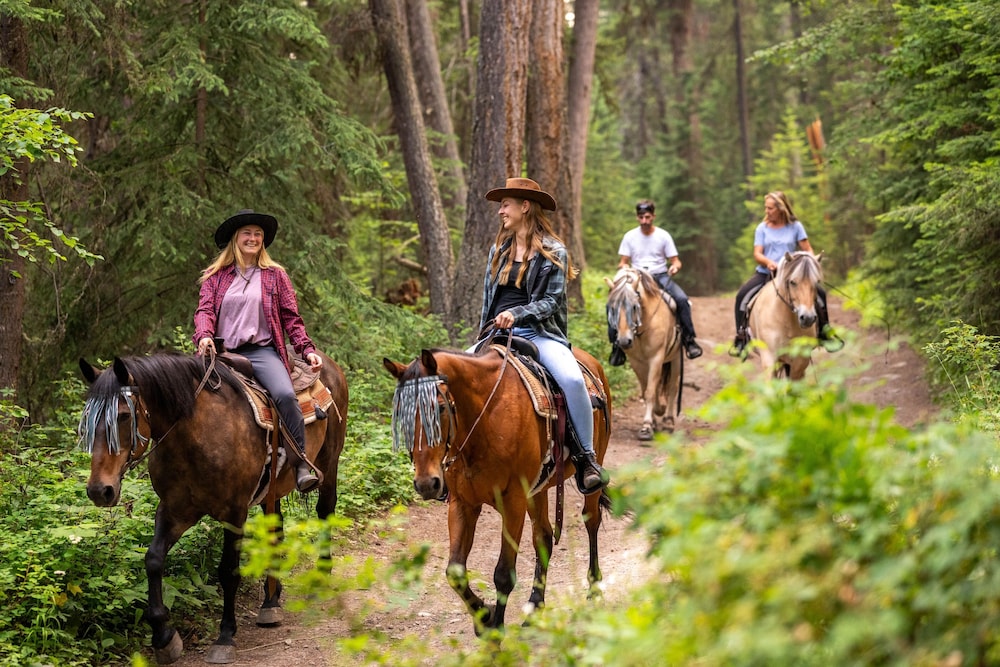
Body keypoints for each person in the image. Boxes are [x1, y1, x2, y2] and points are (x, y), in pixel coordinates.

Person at [479, 177, 608, 493]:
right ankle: (456, 461)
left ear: (525, 206)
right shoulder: (500, 250)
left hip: (540, 334)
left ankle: (586, 458)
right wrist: (483, 333)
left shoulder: (555, 251)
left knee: (573, 380)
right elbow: (487, 299)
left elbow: (550, 302)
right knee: (451, 380)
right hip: (497, 333)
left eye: (505, 204)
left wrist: (516, 314)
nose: (500, 212)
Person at [193, 209, 323, 493]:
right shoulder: (215, 278)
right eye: (247, 234)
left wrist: (307, 349)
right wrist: (203, 336)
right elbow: (204, 311)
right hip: (221, 352)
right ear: (235, 239)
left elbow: (292, 319)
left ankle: (300, 463)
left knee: (286, 395)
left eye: (258, 234)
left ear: (263, 240)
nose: (252, 239)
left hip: (260, 352)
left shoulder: (275, 276)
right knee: (187, 395)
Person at [729, 191, 842, 357]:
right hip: (768, 273)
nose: (767, 211)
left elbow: (807, 249)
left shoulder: (796, 227)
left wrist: (808, 260)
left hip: (793, 275)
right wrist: (768, 262)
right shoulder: (762, 228)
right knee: (742, 296)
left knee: (820, 294)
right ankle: (741, 338)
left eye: (770, 208)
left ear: (781, 209)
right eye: (766, 208)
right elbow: (757, 253)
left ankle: (824, 333)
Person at [615, 199, 703, 360]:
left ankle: (689, 341)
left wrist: (675, 267)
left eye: (647, 217)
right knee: (615, 303)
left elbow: (675, 260)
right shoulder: (629, 236)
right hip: (637, 277)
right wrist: (623, 268)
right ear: (637, 217)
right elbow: (623, 261)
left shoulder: (663, 236)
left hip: (660, 275)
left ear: (653, 216)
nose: (644, 221)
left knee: (682, 300)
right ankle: (617, 346)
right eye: (641, 217)